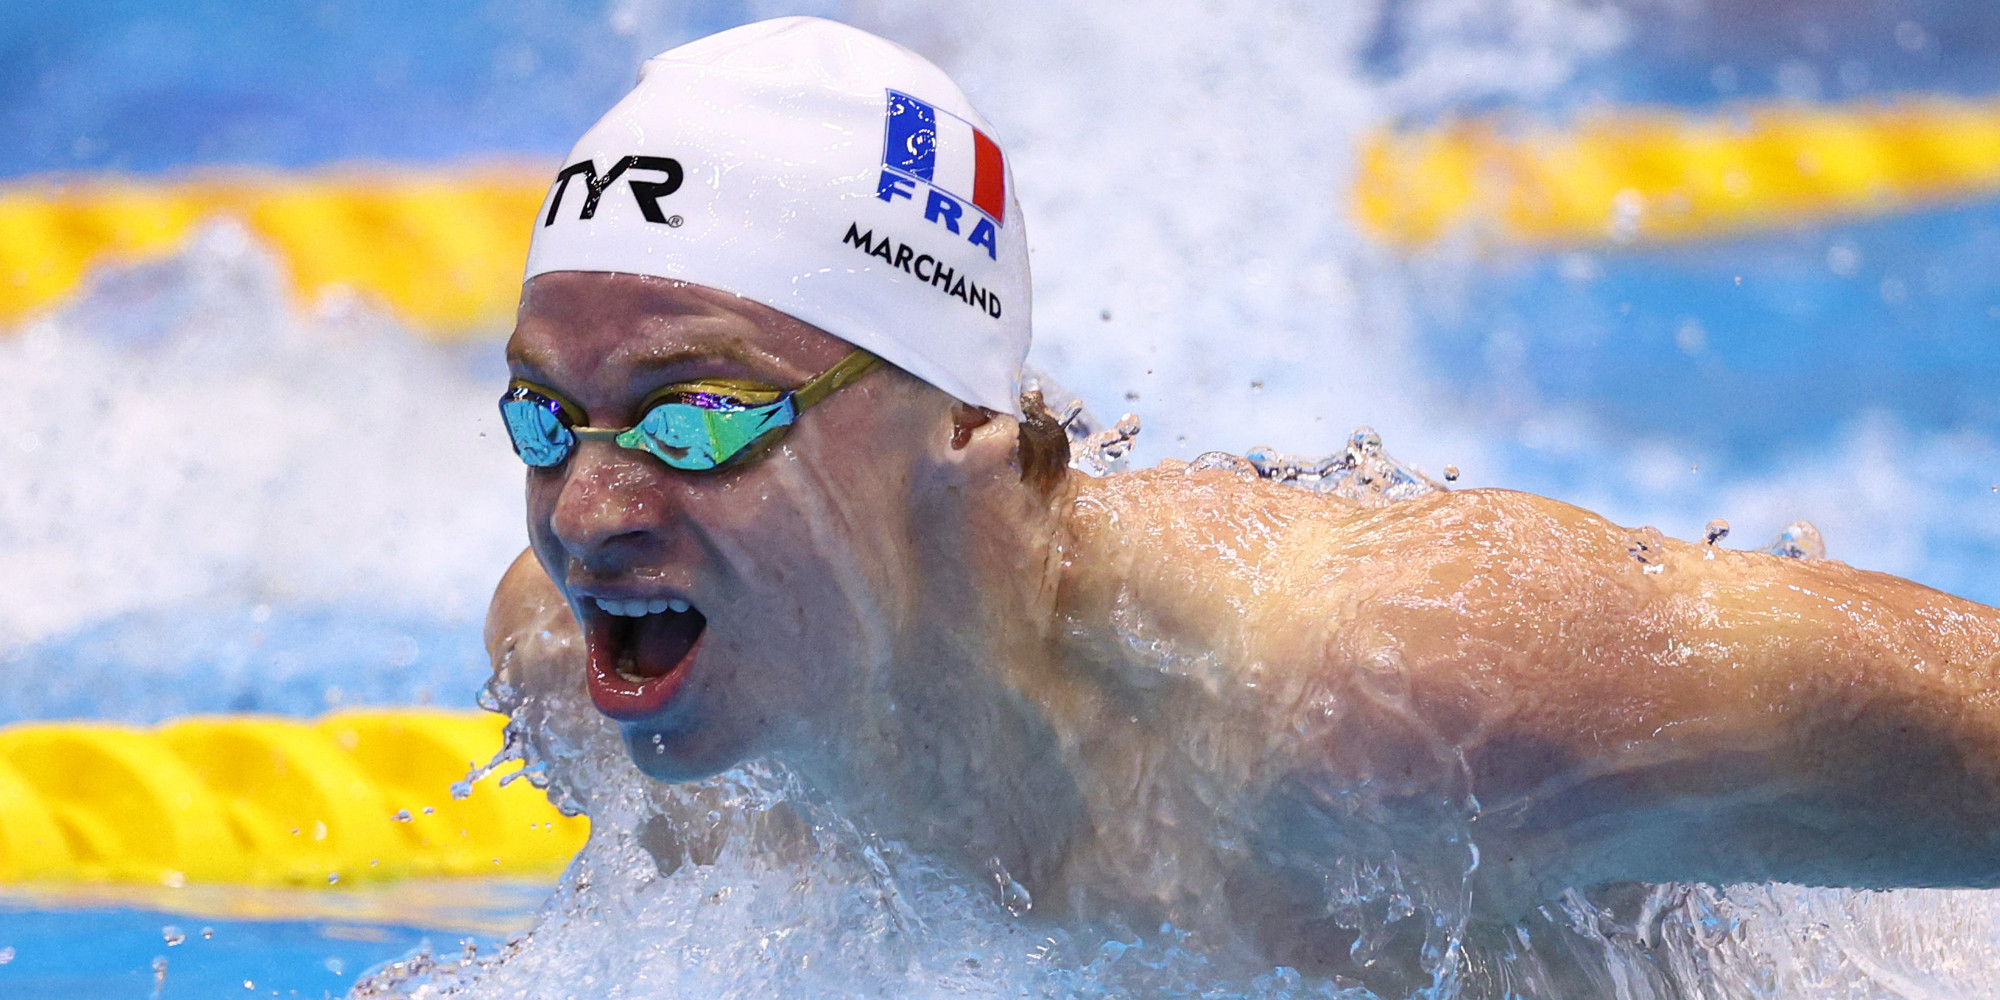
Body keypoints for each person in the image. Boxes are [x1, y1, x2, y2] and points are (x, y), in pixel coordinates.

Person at [485, 15, 2000, 979]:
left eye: (697, 417)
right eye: (544, 416)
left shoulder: (1399, 696)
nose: (588, 513)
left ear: (964, 421)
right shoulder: (584, 680)